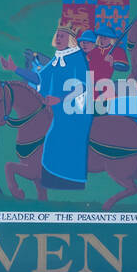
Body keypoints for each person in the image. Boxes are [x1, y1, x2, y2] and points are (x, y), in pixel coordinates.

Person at [36, 22, 93, 189]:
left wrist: (60, 100)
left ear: (70, 40)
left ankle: (71, 182)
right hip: (58, 109)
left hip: (76, 110)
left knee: (61, 137)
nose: (59, 38)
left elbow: (82, 86)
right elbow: (40, 78)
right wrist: (16, 69)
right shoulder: (57, 58)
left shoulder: (77, 57)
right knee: (51, 139)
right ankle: (51, 180)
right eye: (58, 36)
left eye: (63, 36)